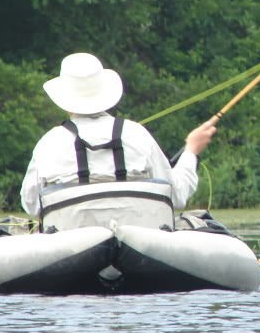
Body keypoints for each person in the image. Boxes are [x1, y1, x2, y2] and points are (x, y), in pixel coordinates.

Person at [20, 53, 216, 228]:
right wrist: (191, 152)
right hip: (141, 249)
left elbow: (32, 205)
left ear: (63, 97)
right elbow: (176, 195)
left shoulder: (49, 143)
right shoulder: (137, 134)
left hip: (70, 252)